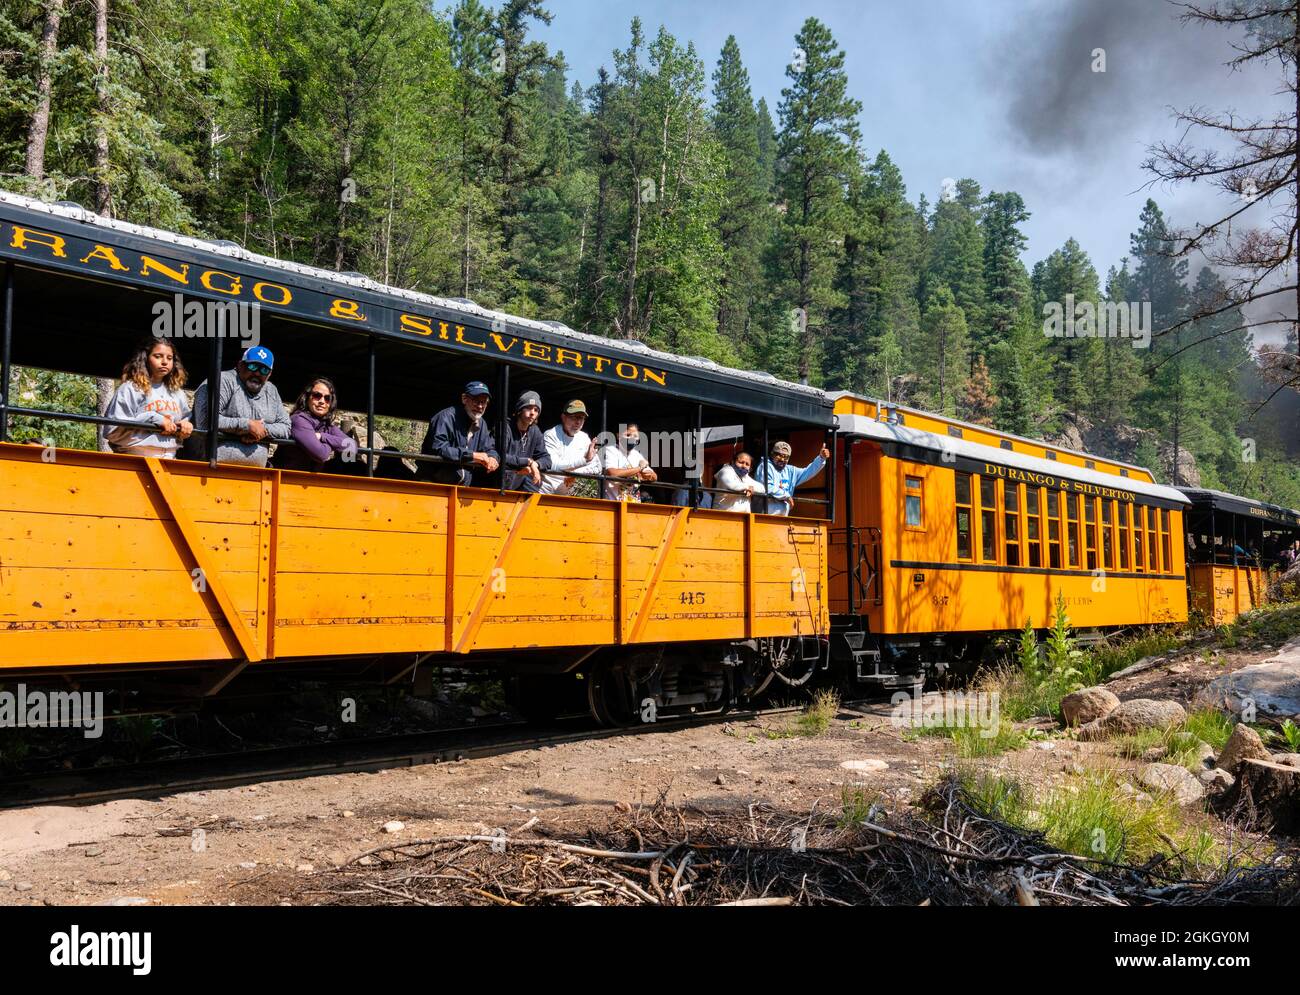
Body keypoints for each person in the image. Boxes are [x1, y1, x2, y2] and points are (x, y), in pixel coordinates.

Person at [189, 345, 291, 466]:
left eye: (264, 370)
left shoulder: (271, 390)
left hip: (257, 474)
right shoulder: (223, 380)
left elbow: (286, 427)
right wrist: (246, 426)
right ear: (240, 365)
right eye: (252, 366)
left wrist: (261, 431)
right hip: (208, 468)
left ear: (269, 374)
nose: (257, 373)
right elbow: (206, 421)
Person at [104, 337, 194, 458]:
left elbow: (186, 417)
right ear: (145, 358)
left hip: (171, 457)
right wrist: (153, 418)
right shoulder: (130, 389)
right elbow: (112, 430)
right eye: (158, 356)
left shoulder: (177, 392)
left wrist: (186, 424)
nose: (164, 362)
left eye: (169, 358)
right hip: (135, 456)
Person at [419, 380, 500, 486]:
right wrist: (472, 455)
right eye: (476, 400)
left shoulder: (482, 424)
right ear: (464, 399)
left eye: (484, 402)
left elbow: (489, 448)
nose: (480, 406)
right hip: (432, 483)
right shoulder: (446, 417)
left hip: (462, 486)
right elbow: (439, 448)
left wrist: (493, 457)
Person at [274, 377, 357, 472]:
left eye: (327, 398)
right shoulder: (299, 420)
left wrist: (323, 437)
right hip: (286, 478)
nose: (322, 401)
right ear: (307, 398)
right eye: (317, 395)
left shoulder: (327, 426)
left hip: (310, 480)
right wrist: (333, 444)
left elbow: (352, 445)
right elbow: (321, 454)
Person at [541, 400, 601, 496]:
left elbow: (596, 466)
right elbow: (552, 465)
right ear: (563, 417)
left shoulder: (584, 437)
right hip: (548, 493)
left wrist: (575, 474)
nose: (578, 422)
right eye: (574, 417)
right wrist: (584, 460)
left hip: (572, 494)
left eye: (581, 418)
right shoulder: (551, 435)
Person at [755, 440, 830, 516]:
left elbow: (808, 472)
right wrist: (786, 496)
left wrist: (821, 458)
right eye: (779, 455)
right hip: (763, 517)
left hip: (782, 518)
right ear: (772, 454)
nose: (782, 459)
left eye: (786, 457)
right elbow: (767, 487)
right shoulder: (765, 466)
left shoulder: (790, 471)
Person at [501, 390, 551, 492]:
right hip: (497, 485)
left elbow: (546, 459)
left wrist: (535, 465)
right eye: (528, 408)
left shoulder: (535, 431)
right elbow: (500, 456)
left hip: (517, 485)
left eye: (536, 410)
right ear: (519, 410)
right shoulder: (506, 427)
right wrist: (527, 462)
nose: (532, 413)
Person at [600, 422, 657, 501]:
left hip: (633, 506)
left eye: (635, 436)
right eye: (628, 435)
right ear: (618, 436)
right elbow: (612, 473)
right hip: (612, 504)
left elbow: (654, 476)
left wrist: (647, 475)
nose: (632, 438)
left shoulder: (637, 454)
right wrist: (639, 468)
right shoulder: (610, 450)